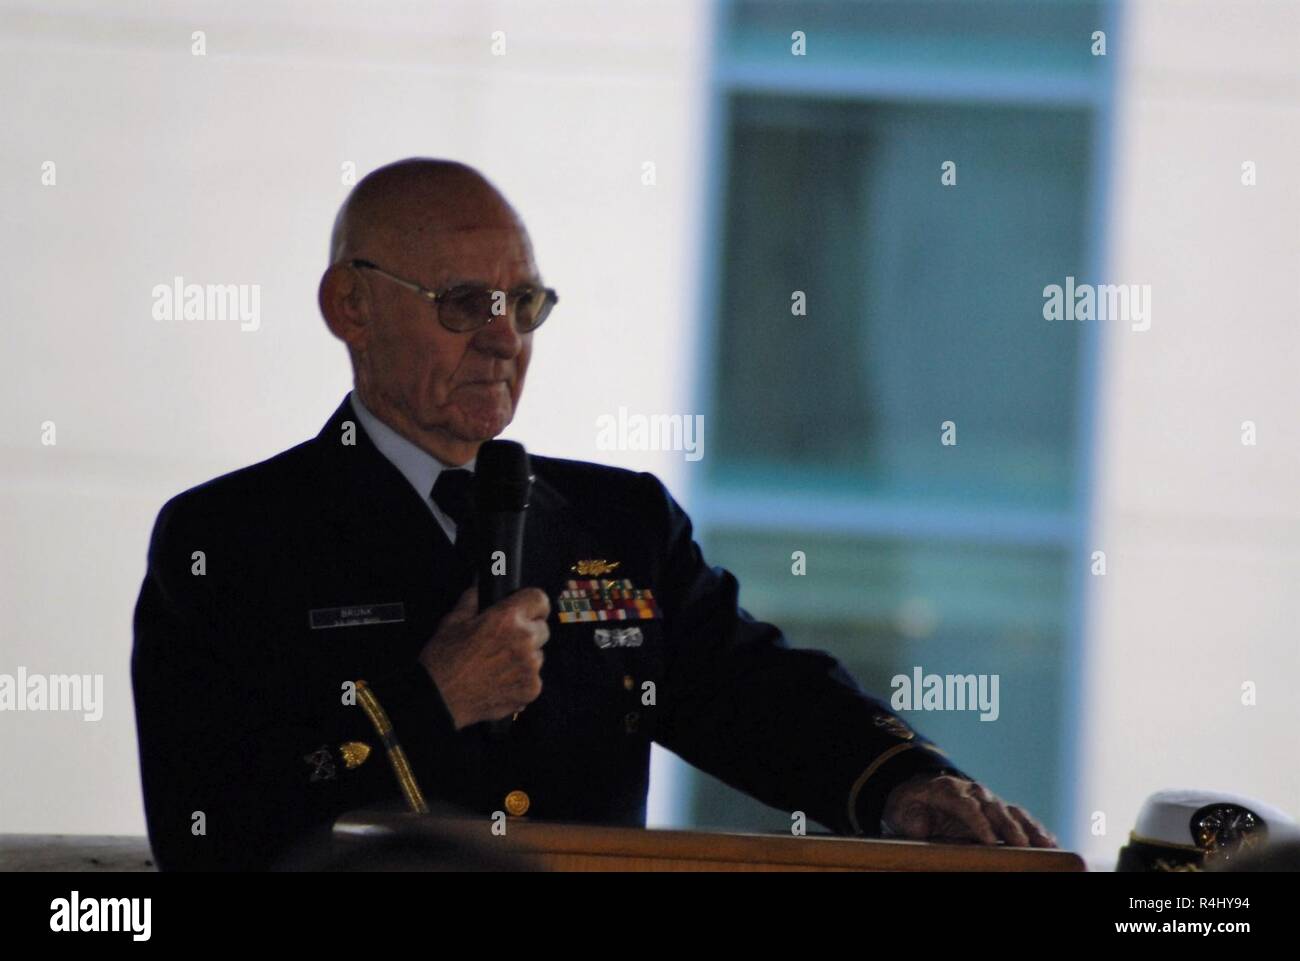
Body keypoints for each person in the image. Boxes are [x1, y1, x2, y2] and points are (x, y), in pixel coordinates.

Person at [131, 158, 1056, 871]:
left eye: (525, 303)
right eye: (466, 304)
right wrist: (428, 701)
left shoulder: (619, 522)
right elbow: (207, 828)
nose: (505, 337)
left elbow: (754, 695)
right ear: (351, 307)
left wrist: (904, 783)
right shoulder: (230, 540)